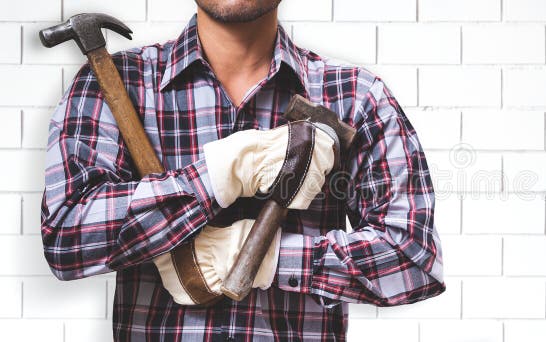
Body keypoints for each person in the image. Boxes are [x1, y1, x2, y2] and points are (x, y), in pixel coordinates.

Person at [39, 0, 445, 340]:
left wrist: (264, 257)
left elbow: (414, 259)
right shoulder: (115, 84)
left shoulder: (355, 97)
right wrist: (224, 171)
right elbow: (67, 239)